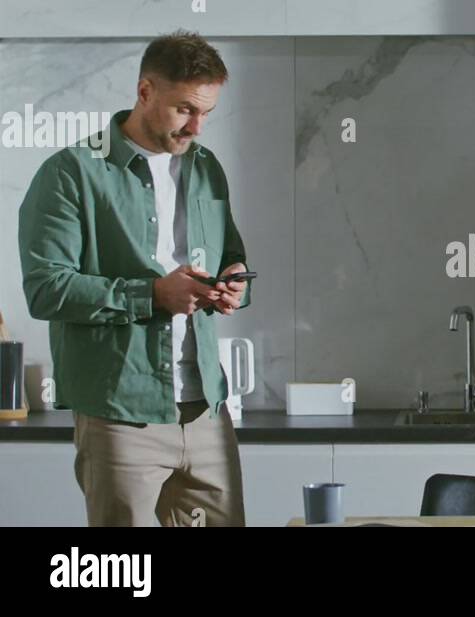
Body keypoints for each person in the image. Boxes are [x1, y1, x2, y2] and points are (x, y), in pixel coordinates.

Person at [18, 30, 251, 526]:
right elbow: (45, 287)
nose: (198, 127)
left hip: (206, 408)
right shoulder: (71, 173)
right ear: (145, 92)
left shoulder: (207, 169)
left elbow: (229, 252)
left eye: (207, 112)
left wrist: (233, 282)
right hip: (121, 414)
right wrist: (152, 294)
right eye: (185, 109)